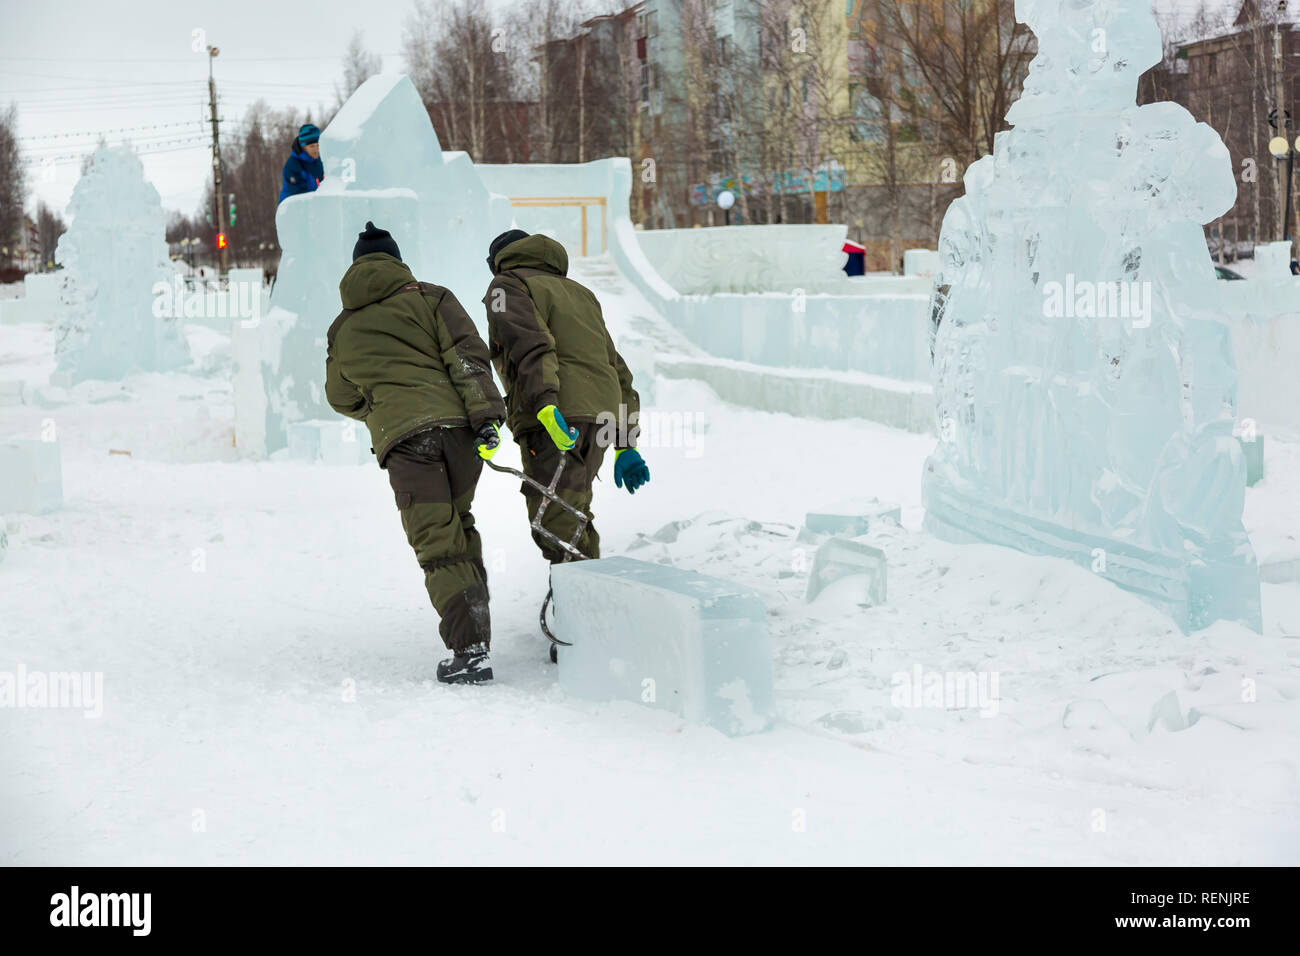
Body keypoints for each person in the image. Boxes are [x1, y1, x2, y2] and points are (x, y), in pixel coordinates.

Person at [326, 222, 506, 684]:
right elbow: (466, 357)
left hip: (407, 443)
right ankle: (477, 636)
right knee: (458, 525)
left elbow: (339, 395)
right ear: (397, 260)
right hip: (459, 435)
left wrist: (381, 408)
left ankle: (470, 650)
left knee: (438, 545)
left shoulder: (342, 327)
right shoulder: (432, 298)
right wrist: (485, 416)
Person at [482, 229, 650, 573]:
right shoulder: (580, 293)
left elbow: (530, 344)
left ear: (498, 261)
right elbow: (616, 368)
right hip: (600, 419)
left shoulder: (506, 286)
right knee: (572, 512)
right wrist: (624, 441)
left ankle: (590, 611)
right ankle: (588, 602)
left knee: (556, 522)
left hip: (556, 415)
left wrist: (543, 403)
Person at [278, 124, 324, 204]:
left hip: (315, 207)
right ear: (303, 146)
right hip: (292, 210)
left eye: (318, 145)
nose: (316, 150)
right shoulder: (293, 166)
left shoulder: (319, 160)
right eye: (312, 146)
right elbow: (298, 196)